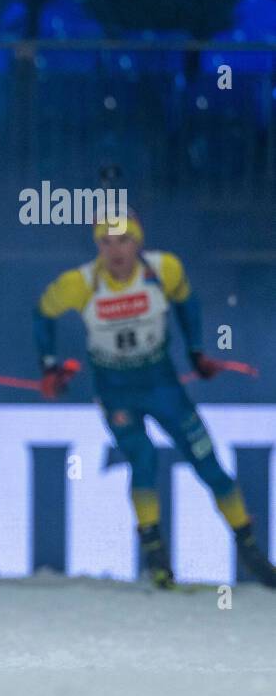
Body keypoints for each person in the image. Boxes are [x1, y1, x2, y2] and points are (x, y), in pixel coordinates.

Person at [34, 213, 276, 589]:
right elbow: (43, 312)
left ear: (138, 242)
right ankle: (156, 557)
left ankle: (249, 549)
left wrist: (196, 352)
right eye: (106, 242)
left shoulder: (165, 269)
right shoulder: (79, 283)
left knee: (206, 461)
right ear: (98, 246)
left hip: (162, 385)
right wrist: (50, 366)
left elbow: (187, 303)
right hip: (116, 391)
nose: (116, 251)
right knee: (143, 459)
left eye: (124, 240)